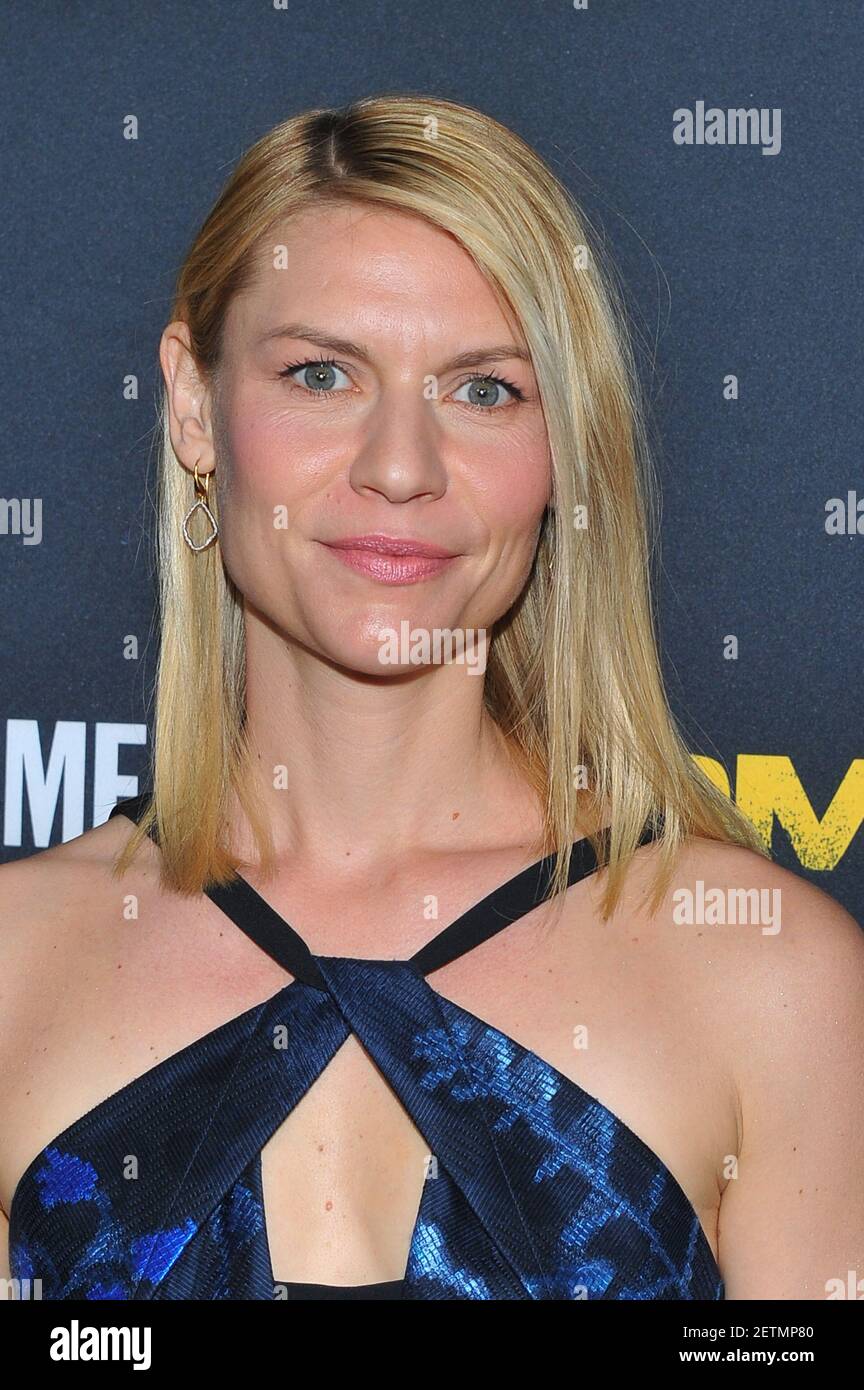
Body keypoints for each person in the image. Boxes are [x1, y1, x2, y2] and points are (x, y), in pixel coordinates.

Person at [1, 94, 862, 1302]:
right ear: (195, 407)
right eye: (320, 373)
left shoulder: (774, 981)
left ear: (566, 446)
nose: (399, 466)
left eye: (485, 391)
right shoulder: (18, 965)